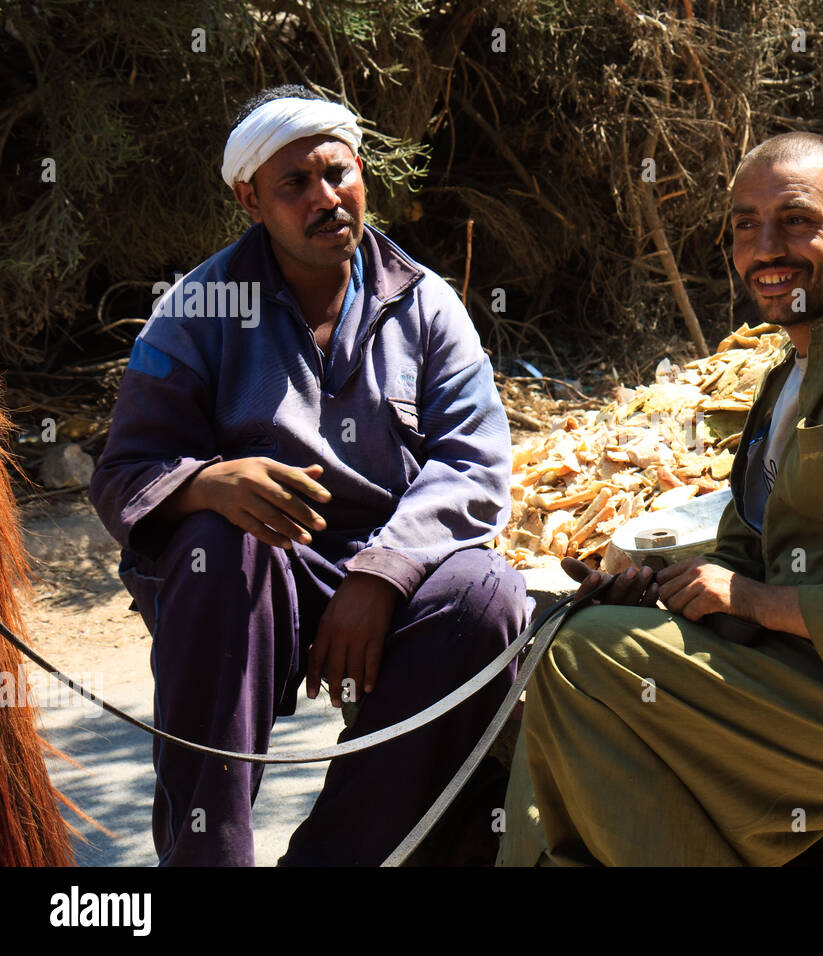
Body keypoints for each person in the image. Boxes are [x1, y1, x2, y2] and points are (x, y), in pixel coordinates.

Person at [496, 132, 823, 866]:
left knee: (589, 662)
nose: (766, 248)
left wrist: (749, 600)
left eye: (796, 220)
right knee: (573, 641)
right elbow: (753, 547)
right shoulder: (792, 374)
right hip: (812, 673)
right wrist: (663, 590)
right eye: (746, 225)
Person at [90, 85, 527, 866]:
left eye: (338, 173)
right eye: (295, 184)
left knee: (487, 595)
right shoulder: (198, 308)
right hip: (259, 579)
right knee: (219, 552)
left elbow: (473, 460)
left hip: (390, 567)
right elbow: (126, 468)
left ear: (362, 172)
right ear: (249, 200)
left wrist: (382, 573)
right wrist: (206, 485)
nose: (326, 199)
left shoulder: (426, 305)